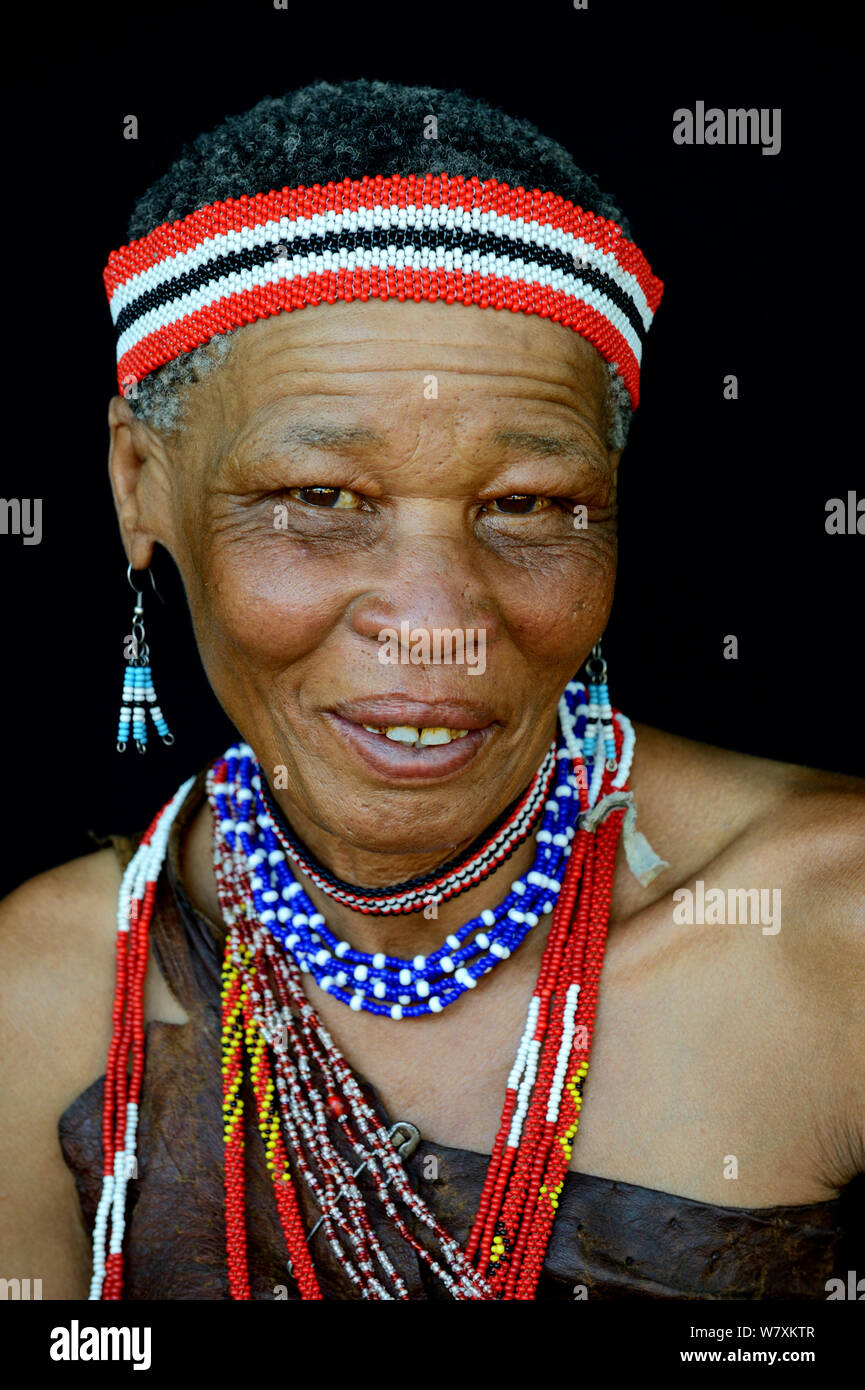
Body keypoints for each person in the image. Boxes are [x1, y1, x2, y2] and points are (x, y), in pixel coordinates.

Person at [1, 80, 862, 1301]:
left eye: (527, 508)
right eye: (319, 500)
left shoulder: (835, 938)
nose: (441, 623)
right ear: (140, 483)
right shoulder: (43, 991)